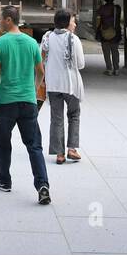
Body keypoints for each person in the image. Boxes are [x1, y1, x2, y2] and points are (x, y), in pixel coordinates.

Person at [0, 5, 51, 204]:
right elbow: (41, 71)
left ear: (8, 20)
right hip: (28, 102)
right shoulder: (32, 42)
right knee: (34, 146)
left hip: (6, 101)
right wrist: (32, 89)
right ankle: (42, 185)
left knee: (3, 144)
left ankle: (5, 181)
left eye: (0, 18)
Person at [41, 9, 85, 164]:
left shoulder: (47, 37)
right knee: (74, 114)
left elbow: (42, 57)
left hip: (53, 84)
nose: (74, 23)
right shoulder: (74, 39)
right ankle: (72, 149)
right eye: (73, 21)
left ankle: (59, 154)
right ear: (67, 23)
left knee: (56, 118)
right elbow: (80, 64)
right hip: (70, 84)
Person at [95, 0, 122, 76]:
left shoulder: (101, 8)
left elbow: (98, 20)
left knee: (106, 52)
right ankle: (116, 69)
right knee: (115, 51)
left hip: (104, 31)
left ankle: (109, 69)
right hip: (115, 31)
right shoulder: (117, 8)